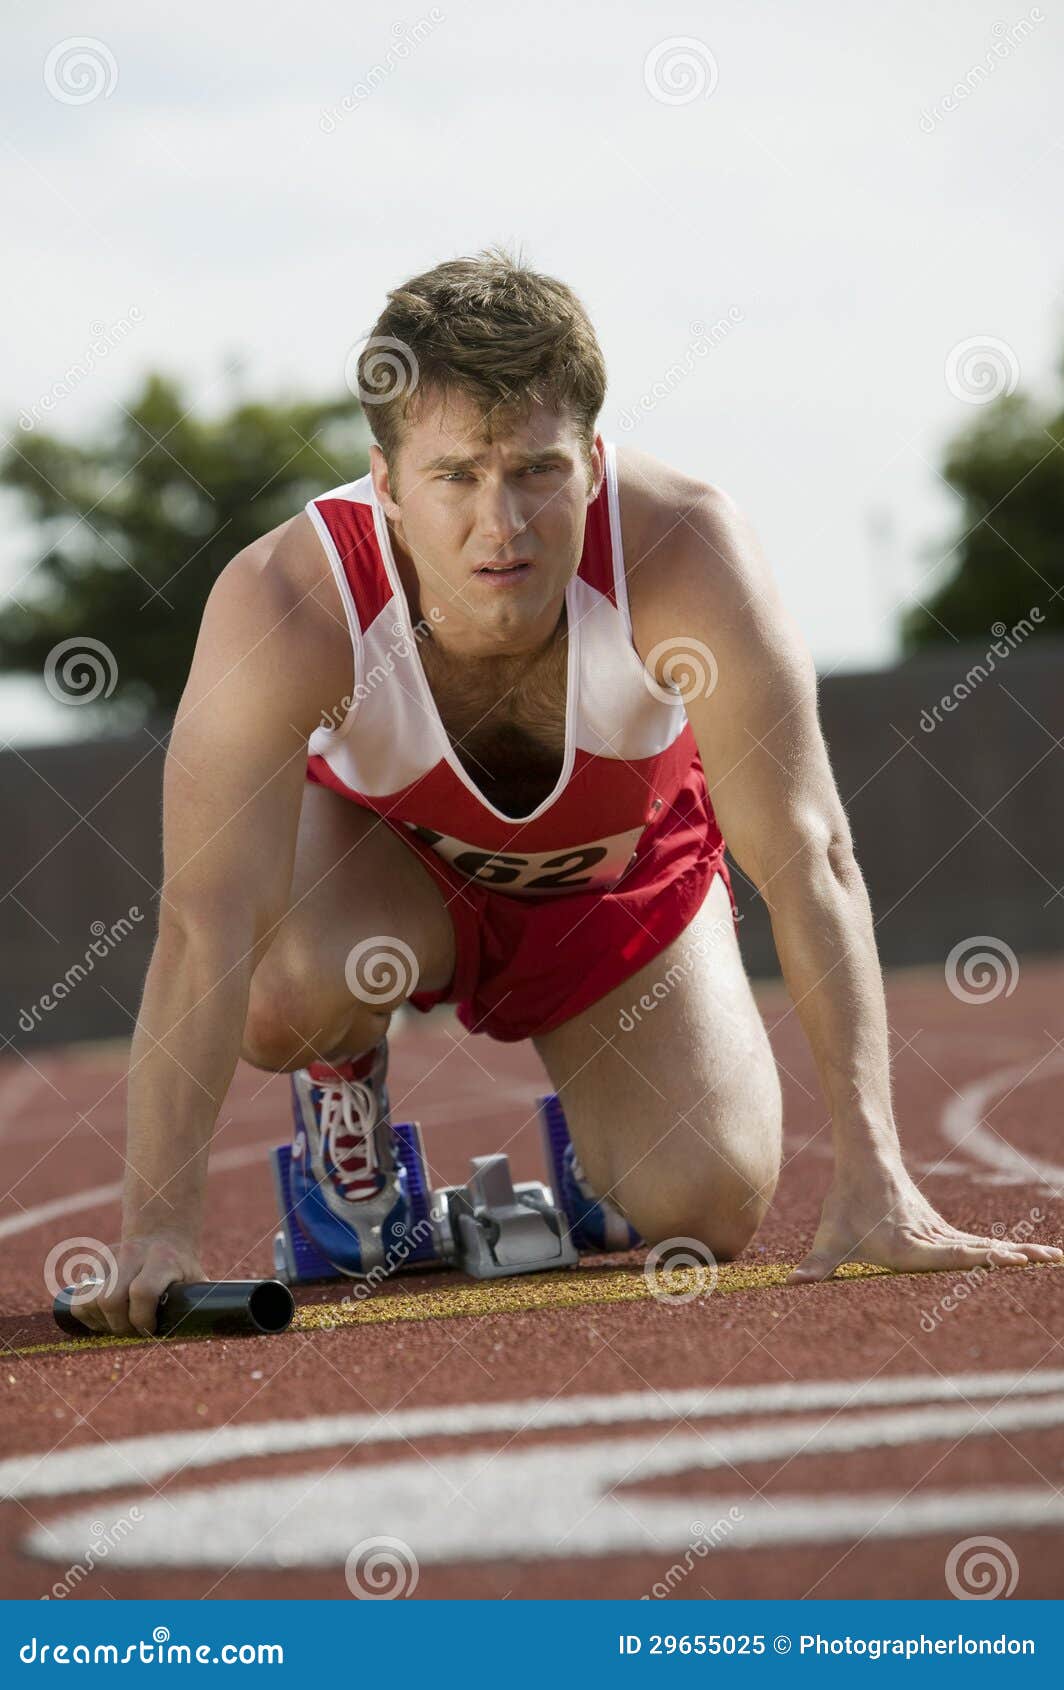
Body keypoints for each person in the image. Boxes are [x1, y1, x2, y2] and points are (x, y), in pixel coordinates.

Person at [78, 248, 1061, 1334]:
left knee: (704, 1207)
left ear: (593, 461)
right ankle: (342, 1085)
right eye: (454, 476)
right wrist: (156, 1226)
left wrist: (878, 1174)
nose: (499, 525)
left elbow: (806, 852)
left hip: (617, 887)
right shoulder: (286, 599)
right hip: (389, 873)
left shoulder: (684, 548)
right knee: (279, 984)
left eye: (534, 471)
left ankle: (608, 1151)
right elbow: (205, 916)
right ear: (387, 484)